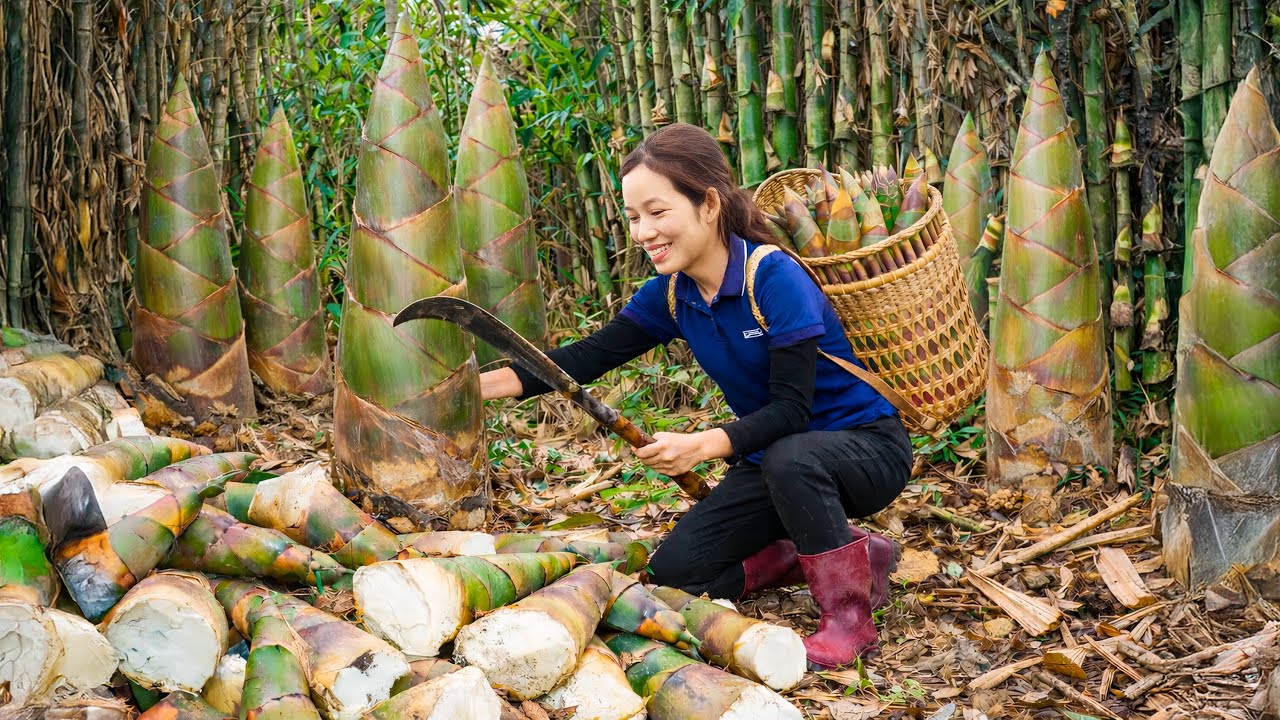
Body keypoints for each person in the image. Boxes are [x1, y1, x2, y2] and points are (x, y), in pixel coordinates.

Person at [479, 123, 913, 668]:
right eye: (633, 217)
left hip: (864, 449)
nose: (643, 232)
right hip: (772, 463)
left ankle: (849, 622)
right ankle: (846, 554)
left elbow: (791, 411)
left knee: (792, 457)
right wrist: (472, 390)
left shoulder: (772, 277)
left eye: (657, 212)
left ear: (708, 204)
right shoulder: (672, 295)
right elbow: (585, 358)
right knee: (677, 574)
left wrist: (700, 445)